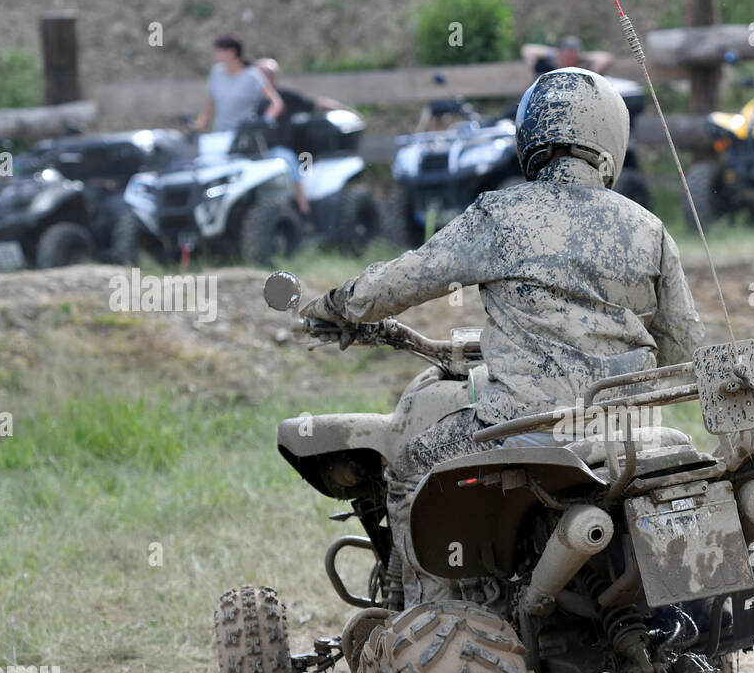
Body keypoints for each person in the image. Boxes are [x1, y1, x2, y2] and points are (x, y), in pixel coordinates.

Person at [299, 68, 705, 603]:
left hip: (523, 430)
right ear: (612, 136)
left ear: (530, 137)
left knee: (406, 472)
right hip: (627, 431)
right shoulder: (649, 228)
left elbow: (406, 278)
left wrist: (337, 306)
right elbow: (686, 350)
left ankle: (419, 624)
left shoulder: (501, 215)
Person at [253, 58, 352, 223]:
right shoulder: (249, 101)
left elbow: (317, 104)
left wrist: (348, 111)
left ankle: (304, 212)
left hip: (280, 150)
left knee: (290, 164)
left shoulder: (285, 97)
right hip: (253, 151)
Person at [194, 33, 284, 134]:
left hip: (244, 136)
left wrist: (264, 121)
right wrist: (199, 125)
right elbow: (211, 102)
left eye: (219, 50)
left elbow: (276, 103)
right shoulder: (216, 72)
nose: (215, 53)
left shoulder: (252, 75)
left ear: (232, 52)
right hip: (220, 134)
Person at [521, 36, 612, 77]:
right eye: (566, 56)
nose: (569, 60)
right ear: (560, 53)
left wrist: (581, 57)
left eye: (572, 57)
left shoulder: (582, 72)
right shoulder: (546, 66)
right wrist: (554, 53)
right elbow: (527, 50)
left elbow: (605, 58)